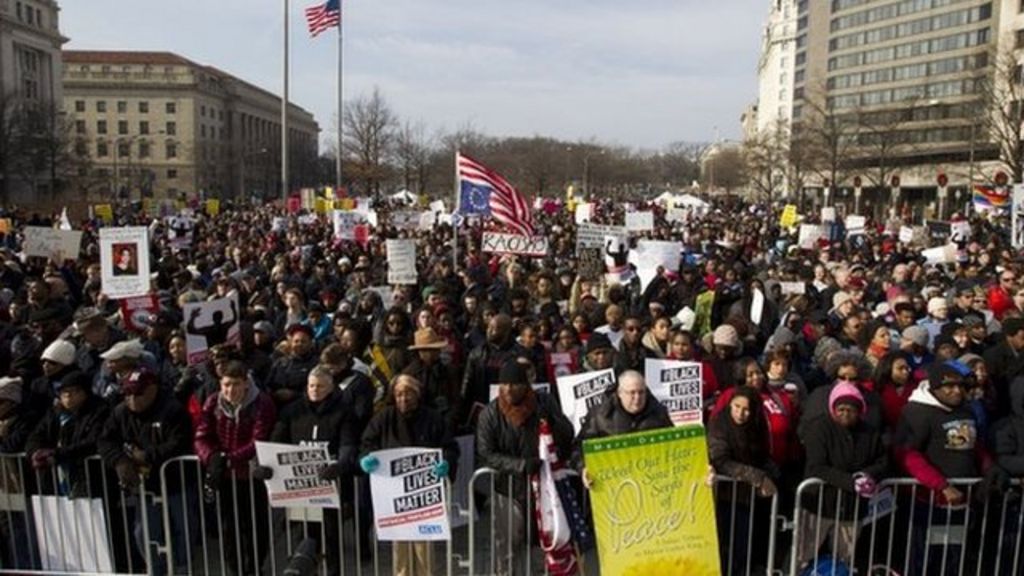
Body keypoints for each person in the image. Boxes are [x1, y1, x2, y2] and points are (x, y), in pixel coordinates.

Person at [260, 366, 360, 576]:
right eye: (311, 385)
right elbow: (277, 441)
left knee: (330, 537)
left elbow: (348, 444)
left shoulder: (344, 412)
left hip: (330, 485)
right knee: (301, 538)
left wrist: (339, 465)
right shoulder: (291, 410)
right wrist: (265, 465)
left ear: (331, 388)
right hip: (299, 487)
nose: (315, 390)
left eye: (320, 386)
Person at [476, 361, 573, 575]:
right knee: (508, 550)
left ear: (526, 385)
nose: (509, 390)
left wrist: (553, 421)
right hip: (508, 490)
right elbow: (485, 454)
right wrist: (520, 465)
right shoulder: (490, 414)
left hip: (542, 489)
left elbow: (567, 437)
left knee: (542, 547)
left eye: (515, 384)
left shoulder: (543, 403)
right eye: (504, 384)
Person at [359, 374, 457, 576]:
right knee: (400, 550)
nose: (404, 398)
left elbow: (450, 447)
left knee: (424, 550)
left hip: (423, 496)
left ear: (418, 394)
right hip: (396, 498)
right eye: (399, 394)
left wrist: (446, 462)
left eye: (409, 394)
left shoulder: (433, 418)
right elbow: (367, 443)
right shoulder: (384, 418)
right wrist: (366, 459)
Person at [97, 368, 193, 574]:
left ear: (152, 389)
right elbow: (105, 441)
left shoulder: (172, 410)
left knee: (184, 530)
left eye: (138, 393)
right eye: (128, 393)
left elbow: (181, 443)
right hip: (146, 487)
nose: (132, 399)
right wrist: (120, 462)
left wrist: (148, 456)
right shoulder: (121, 412)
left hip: (178, 482)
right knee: (144, 532)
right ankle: (156, 570)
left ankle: (182, 569)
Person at [194, 360, 276, 576]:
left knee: (255, 527)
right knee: (228, 528)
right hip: (223, 476)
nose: (231, 390)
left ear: (246, 384)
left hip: (251, 476)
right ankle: (235, 569)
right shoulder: (213, 402)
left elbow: (258, 439)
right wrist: (211, 458)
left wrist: (229, 458)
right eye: (227, 384)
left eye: (236, 384)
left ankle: (254, 567)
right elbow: (202, 436)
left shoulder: (262, 403)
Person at [795, 382, 888, 571]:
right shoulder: (819, 427)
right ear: (833, 409)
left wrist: (867, 475)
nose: (845, 413)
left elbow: (883, 461)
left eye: (851, 410)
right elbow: (817, 466)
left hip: (851, 509)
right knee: (802, 554)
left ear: (860, 411)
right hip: (819, 505)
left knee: (844, 559)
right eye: (841, 409)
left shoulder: (869, 432)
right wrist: (850, 482)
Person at [707, 386, 779, 575]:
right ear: (730, 404)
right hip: (726, 496)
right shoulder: (719, 424)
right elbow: (720, 461)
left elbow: (763, 454)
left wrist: (773, 475)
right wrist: (758, 477)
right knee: (729, 548)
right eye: (737, 407)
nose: (740, 413)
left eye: (746, 409)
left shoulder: (757, 423)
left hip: (750, 497)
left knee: (746, 548)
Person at [574, 370, 672, 486]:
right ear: (620, 393)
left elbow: (673, 445)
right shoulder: (600, 416)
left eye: (641, 392)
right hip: (611, 486)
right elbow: (578, 449)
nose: (637, 398)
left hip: (651, 483)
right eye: (632, 393)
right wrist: (583, 468)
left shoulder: (659, 413)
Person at [26, 370, 108, 497]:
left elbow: (93, 441)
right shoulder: (54, 413)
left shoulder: (99, 411)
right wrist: (36, 452)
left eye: (75, 391)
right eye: (64, 392)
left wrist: (58, 454)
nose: (68, 396)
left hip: (88, 479)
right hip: (55, 479)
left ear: (85, 392)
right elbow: (36, 435)